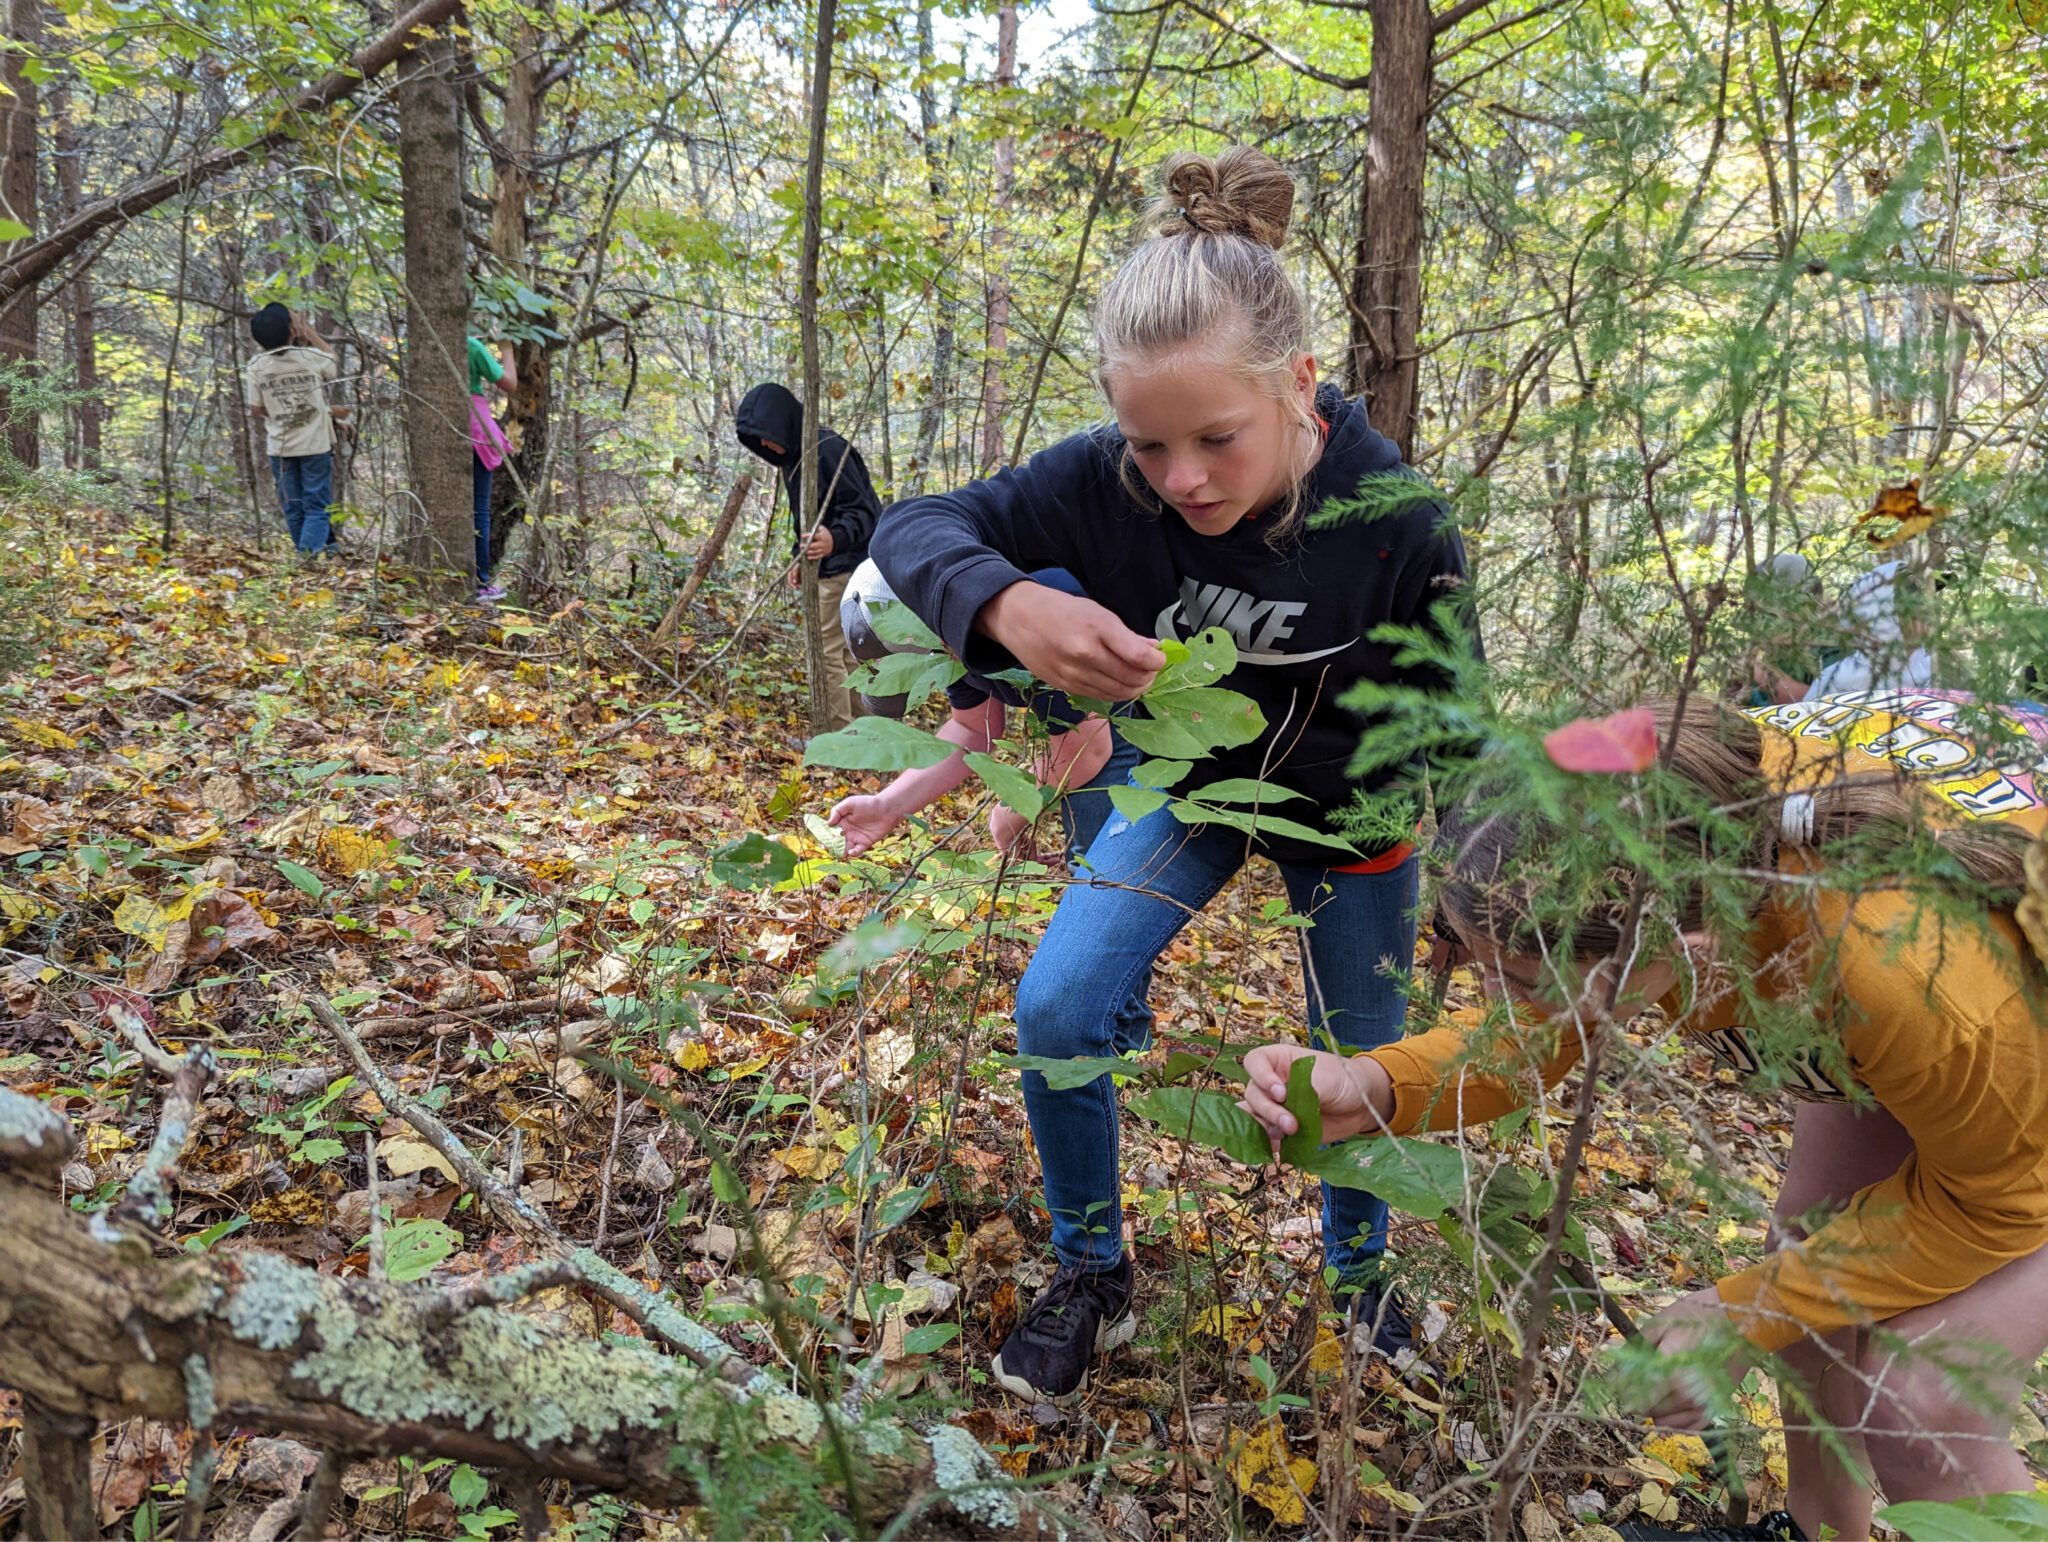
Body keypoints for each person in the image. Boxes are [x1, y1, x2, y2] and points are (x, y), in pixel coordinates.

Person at [871, 146, 1478, 1401]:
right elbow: (913, 527)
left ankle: (1358, 1279)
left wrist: (1487, 887)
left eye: (1216, 439)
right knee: (1057, 1007)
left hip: (1351, 818)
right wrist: (1005, 605)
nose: (1181, 479)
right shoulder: (1106, 481)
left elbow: (1460, 724)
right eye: (1149, 445)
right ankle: (1091, 1273)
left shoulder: (1396, 518)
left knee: (1354, 1062)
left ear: (1298, 385)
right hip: (1189, 791)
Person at [1242, 689, 2048, 1542]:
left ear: (1688, 954)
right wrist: (1374, 1083)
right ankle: (1818, 1531)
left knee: (1922, 1403)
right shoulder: (1658, 824)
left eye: (1519, 981)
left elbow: (1996, 1201)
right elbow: (1538, 1028)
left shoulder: (1907, 976)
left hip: (2000, 1025)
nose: (1495, 998)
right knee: (1809, 1261)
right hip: (1932, 1014)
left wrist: (1738, 1314)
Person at [828, 559, 1138, 861]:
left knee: (1096, 866)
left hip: (1130, 686)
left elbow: (1088, 748)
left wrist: (1010, 812)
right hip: (1095, 715)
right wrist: (887, 806)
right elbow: (972, 727)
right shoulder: (951, 634)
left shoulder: (1032, 613)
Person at [734, 383, 882, 733]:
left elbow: (866, 511)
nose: (766, 444)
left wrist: (836, 539)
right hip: (825, 568)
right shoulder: (794, 458)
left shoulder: (826, 449)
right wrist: (799, 558)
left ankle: (836, 743)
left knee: (829, 653)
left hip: (844, 570)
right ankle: (863, 739)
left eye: (768, 434)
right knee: (845, 655)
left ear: (783, 422)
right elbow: (809, 518)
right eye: (759, 440)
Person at [245, 303, 338, 555]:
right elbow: (332, 360)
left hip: (281, 445)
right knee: (316, 505)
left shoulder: (256, 365)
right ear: (290, 330)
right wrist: (310, 333)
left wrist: (279, 413)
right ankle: (307, 557)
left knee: (293, 506)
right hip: (314, 445)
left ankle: (310, 554)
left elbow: (255, 407)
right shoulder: (308, 357)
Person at [468, 336, 518, 602]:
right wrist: (506, 349)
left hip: (438, 423)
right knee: (479, 508)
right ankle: (480, 582)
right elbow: (509, 383)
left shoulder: (417, 342)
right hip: (474, 425)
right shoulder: (471, 346)